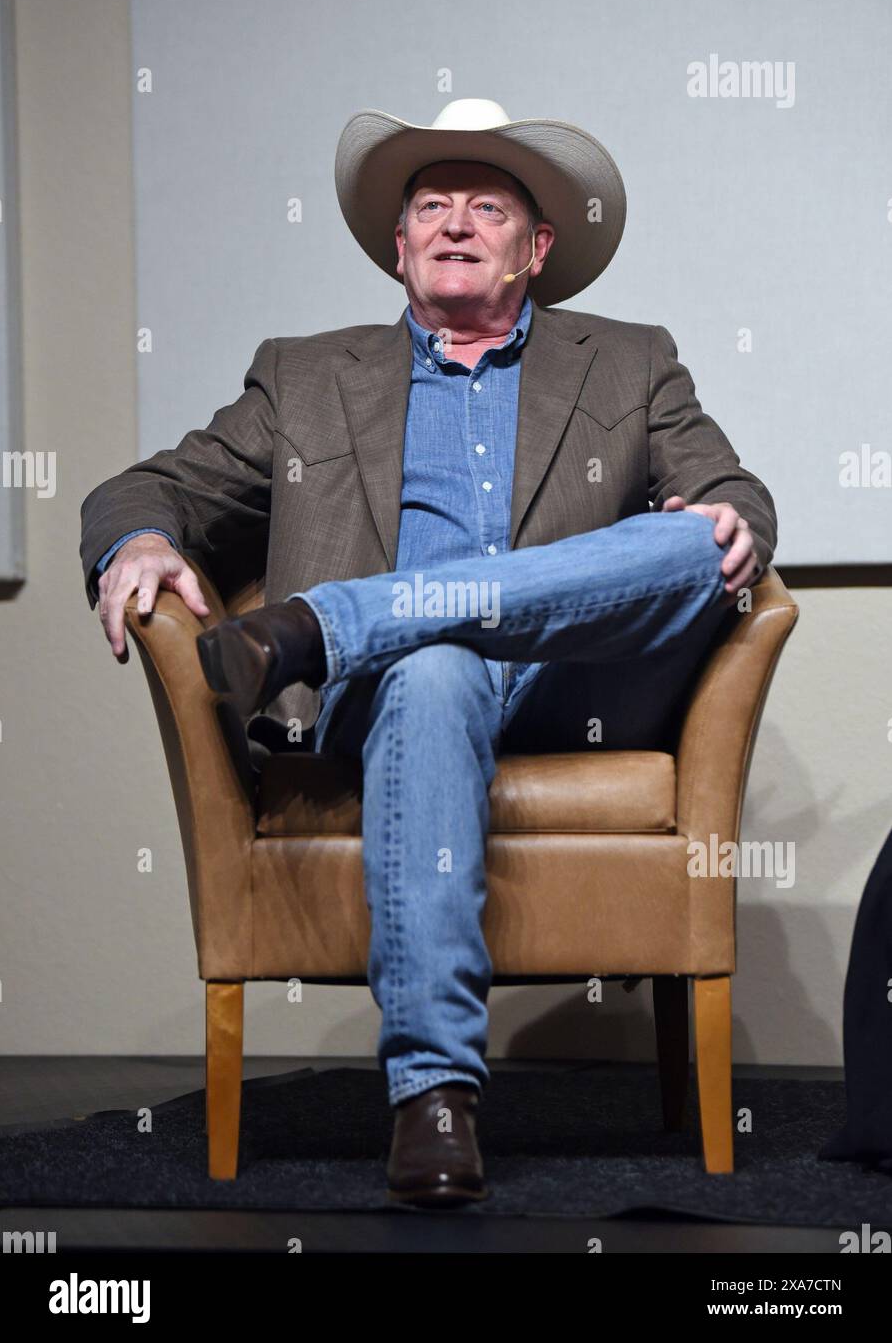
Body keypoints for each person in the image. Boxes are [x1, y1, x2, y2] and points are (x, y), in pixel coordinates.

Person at [80, 98, 777, 1208]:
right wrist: (143, 538)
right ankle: (434, 1096)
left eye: (487, 206)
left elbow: (732, 489)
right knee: (435, 662)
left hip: (569, 685)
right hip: (400, 697)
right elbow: (143, 485)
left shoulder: (631, 364)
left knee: (699, 541)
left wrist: (735, 513)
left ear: (536, 247)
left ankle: (328, 622)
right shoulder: (302, 377)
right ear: (398, 248)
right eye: (431, 207)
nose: (455, 223)